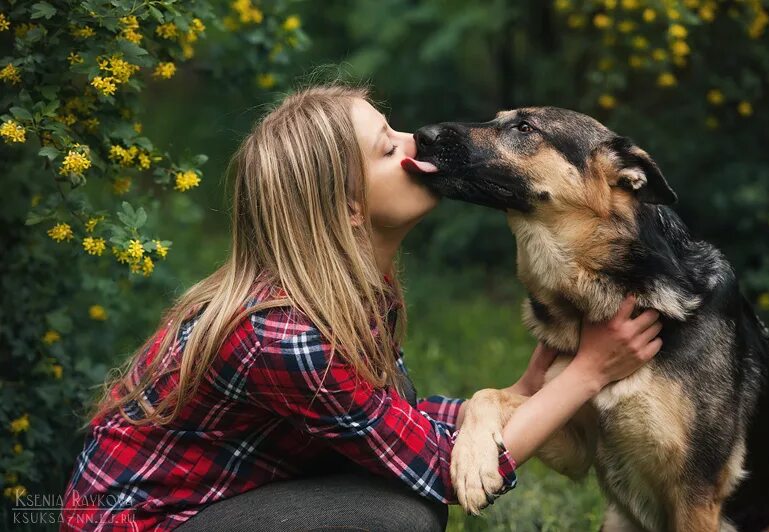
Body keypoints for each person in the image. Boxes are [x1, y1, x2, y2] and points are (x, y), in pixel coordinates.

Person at [60, 85, 662, 532]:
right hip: (146, 524)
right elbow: (439, 471)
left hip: (217, 503)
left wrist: (522, 390)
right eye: (386, 147)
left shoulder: (349, 292)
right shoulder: (286, 336)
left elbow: (384, 420)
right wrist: (588, 372)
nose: (415, 142)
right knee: (399, 515)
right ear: (349, 207)